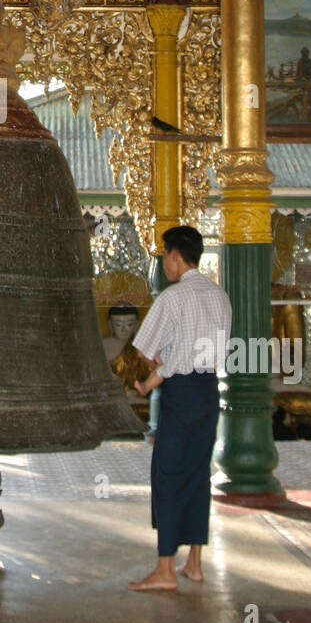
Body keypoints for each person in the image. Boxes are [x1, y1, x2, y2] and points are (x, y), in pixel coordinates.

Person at [124, 225, 232, 593]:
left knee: (168, 474)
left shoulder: (173, 297)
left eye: (165, 256)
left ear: (174, 256)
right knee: (198, 474)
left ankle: (166, 568)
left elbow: (143, 348)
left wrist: (158, 367)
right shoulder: (220, 297)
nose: (165, 265)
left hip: (182, 393)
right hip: (208, 392)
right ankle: (195, 564)